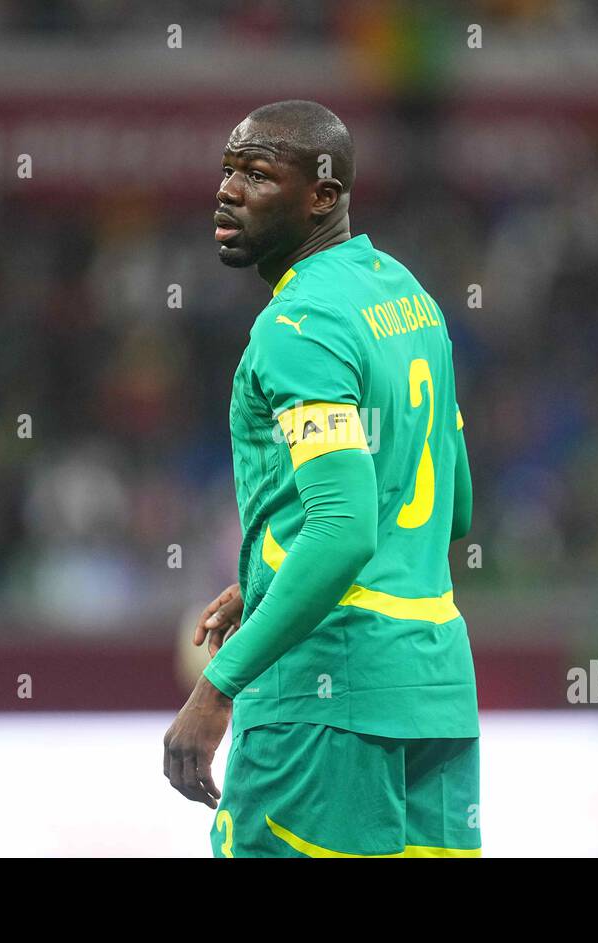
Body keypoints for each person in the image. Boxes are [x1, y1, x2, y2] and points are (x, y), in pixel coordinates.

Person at [162, 100, 480, 857]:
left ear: (323, 196)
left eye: (259, 174)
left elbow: (343, 530)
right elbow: (454, 508)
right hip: (434, 695)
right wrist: (275, 565)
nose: (228, 190)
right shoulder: (408, 299)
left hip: (326, 699)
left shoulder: (299, 326)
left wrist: (216, 690)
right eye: (228, 169)